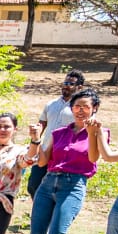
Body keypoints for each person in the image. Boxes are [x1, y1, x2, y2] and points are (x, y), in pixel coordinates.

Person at [16, 87, 103, 234]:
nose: (80, 110)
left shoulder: (100, 132)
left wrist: (92, 133)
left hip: (73, 185)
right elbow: (43, 161)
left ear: (95, 109)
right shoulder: (59, 133)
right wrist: (36, 139)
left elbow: (92, 158)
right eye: (76, 106)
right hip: (48, 183)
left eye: (85, 107)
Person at [27, 70, 87, 198]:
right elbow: (42, 124)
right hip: (44, 151)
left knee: (56, 188)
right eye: (65, 82)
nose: (66, 85)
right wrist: (33, 141)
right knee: (33, 185)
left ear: (79, 87)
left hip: (62, 155)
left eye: (71, 84)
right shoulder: (51, 104)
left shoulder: (81, 109)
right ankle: (39, 213)